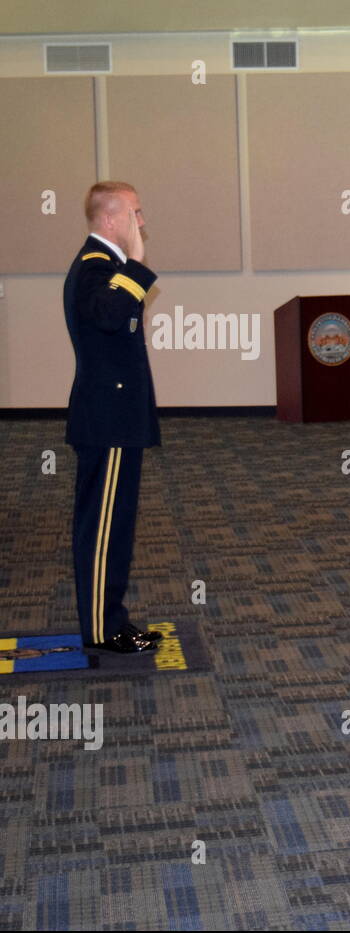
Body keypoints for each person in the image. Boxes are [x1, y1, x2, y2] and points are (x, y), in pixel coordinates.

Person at [64, 181, 163, 654]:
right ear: (110, 219)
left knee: (116, 523)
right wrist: (139, 260)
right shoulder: (92, 268)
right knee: (102, 528)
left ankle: (112, 619)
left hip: (116, 417)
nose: (141, 222)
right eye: (136, 214)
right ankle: (103, 629)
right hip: (106, 419)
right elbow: (111, 314)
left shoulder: (108, 268)